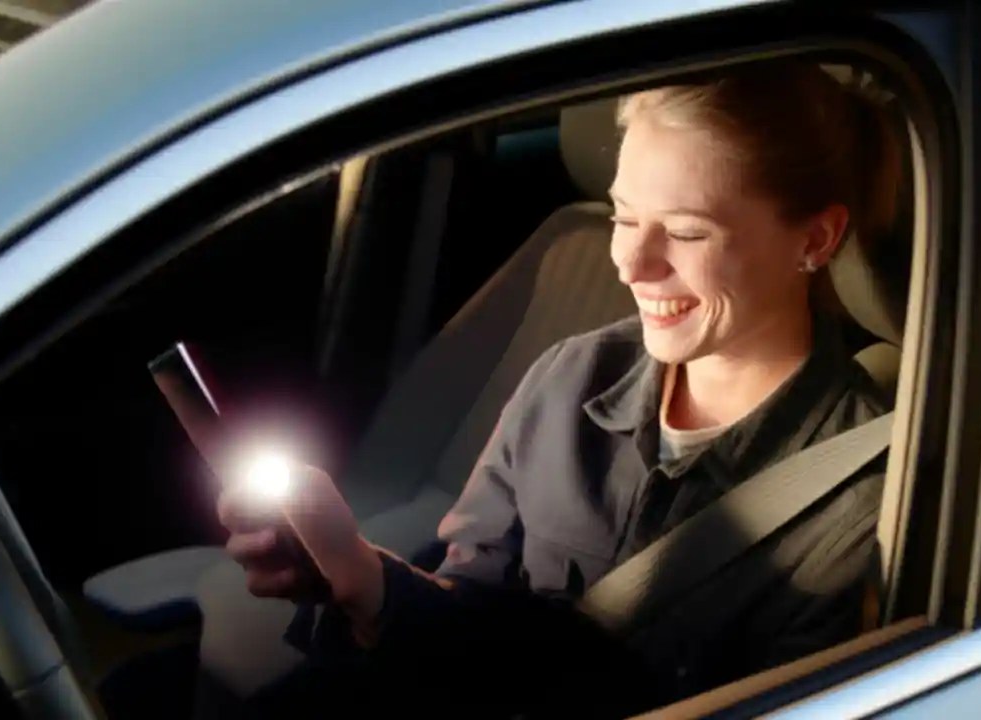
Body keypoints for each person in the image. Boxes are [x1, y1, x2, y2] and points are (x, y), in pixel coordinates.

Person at [218, 59, 902, 718]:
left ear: (815, 239)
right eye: (623, 218)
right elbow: (469, 590)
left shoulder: (856, 500)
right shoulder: (573, 376)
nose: (632, 265)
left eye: (689, 232)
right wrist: (353, 585)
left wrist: (380, 594)